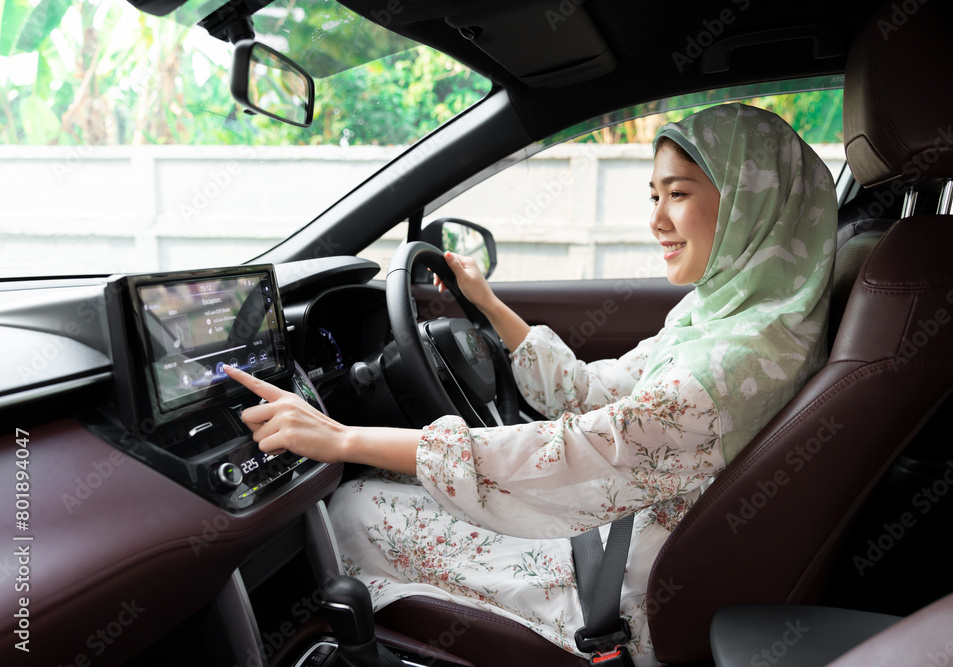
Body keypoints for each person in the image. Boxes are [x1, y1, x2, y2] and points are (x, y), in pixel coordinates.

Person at [224, 103, 838, 663]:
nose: (656, 219)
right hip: (614, 540)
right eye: (653, 195)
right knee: (381, 491)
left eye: (677, 194)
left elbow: (578, 452)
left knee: (352, 510)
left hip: (609, 594)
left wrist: (344, 439)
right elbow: (596, 393)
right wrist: (489, 306)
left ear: (751, 201)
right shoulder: (731, 318)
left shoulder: (735, 362)